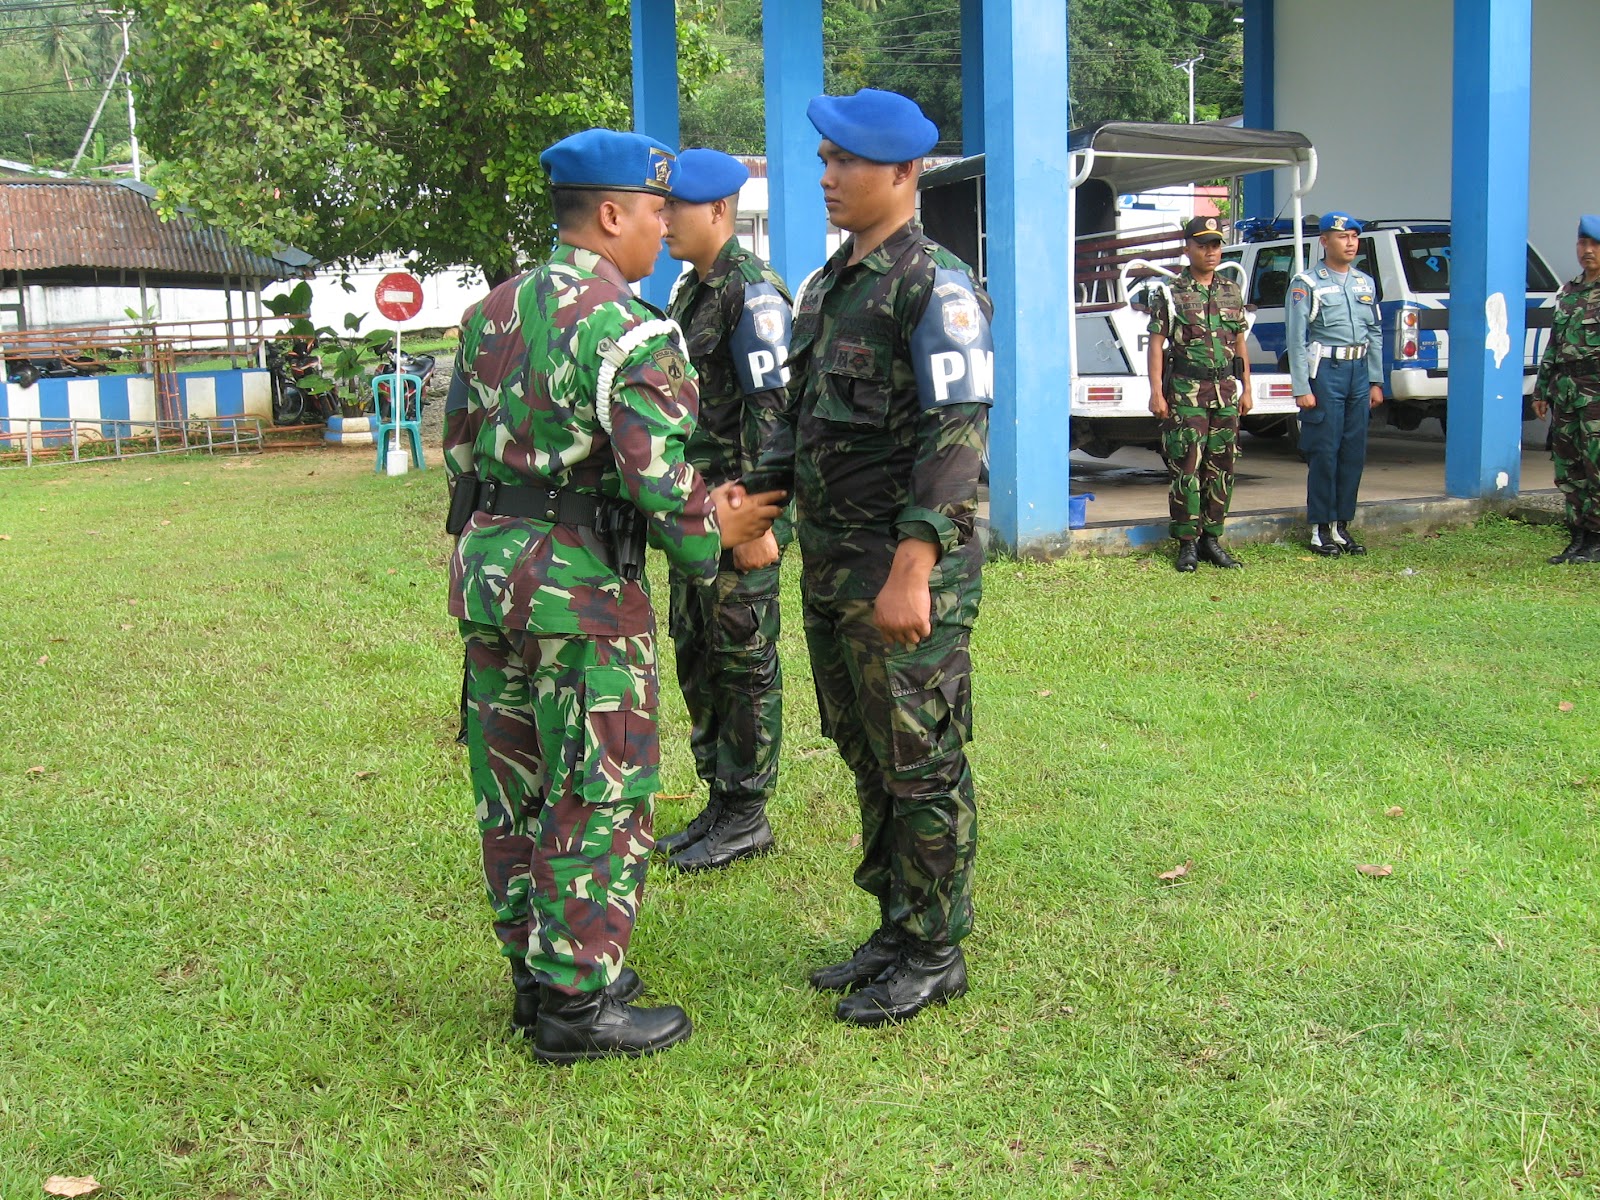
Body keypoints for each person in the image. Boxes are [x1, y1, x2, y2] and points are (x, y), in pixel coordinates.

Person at [443, 128, 784, 1063]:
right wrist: (733, 533)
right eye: (653, 211)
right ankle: (579, 1004)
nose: (661, 228)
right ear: (610, 215)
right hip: (582, 593)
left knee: (511, 786)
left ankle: (535, 974)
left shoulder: (488, 314)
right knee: (600, 791)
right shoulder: (629, 328)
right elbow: (663, 491)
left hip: (486, 581)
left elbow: (461, 450)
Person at [756, 88, 992, 1027]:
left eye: (845, 162)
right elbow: (800, 425)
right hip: (832, 563)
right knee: (867, 752)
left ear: (904, 174)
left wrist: (913, 568)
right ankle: (897, 925)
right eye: (823, 160)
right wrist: (753, 505)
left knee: (921, 758)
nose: (826, 177)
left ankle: (937, 949)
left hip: (903, 571)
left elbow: (955, 436)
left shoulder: (936, 286)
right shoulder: (827, 287)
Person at [655, 148, 794, 871]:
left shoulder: (752, 292)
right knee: (699, 655)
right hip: (699, 518)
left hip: (740, 522)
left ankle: (747, 812)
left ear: (717, 211)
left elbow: (774, 416)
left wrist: (757, 527)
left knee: (743, 661)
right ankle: (720, 796)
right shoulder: (690, 291)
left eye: (674, 207)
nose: (663, 220)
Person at [1147, 215, 1253, 572]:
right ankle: (1187, 543)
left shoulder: (1231, 290)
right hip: (1186, 392)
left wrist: (1247, 388)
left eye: (1216, 245)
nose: (1210, 252)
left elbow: (1239, 341)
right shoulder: (1170, 292)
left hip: (1225, 391)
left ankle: (1212, 539)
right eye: (1203, 245)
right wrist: (1156, 393)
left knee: (1222, 467)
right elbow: (1157, 344)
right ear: (1187, 247)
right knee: (1186, 466)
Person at [1286, 212, 1384, 556]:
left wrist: (1376, 380)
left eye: (1354, 236)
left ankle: (1342, 526)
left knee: (1352, 451)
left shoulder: (1364, 283)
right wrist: (1302, 387)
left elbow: (1374, 332)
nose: (1350, 242)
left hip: (1358, 371)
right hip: (1326, 370)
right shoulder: (1307, 283)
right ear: (1324, 241)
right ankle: (1320, 528)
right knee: (1324, 451)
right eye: (1342, 237)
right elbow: (1296, 339)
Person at [1531, 214, 1600, 565]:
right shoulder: (1570, 291)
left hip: (1596, 396)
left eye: (1595, 245)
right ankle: (1578, 537)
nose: (1588, 251)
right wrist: (1541, 390)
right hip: (1567, 393)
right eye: (1583, 244)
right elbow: (1554, 345)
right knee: (1568, 469)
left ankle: (1597, 540)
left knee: (1596, 467)